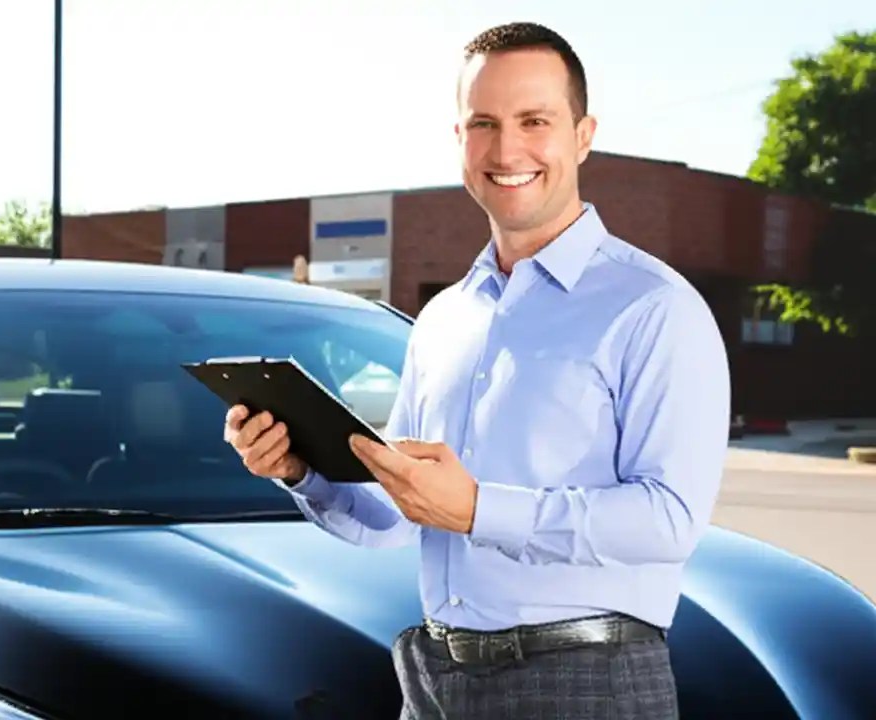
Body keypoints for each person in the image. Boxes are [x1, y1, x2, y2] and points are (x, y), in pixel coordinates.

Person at [223, 21, 729, 720]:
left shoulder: (655, 307)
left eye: (535, 120)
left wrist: (478, 509)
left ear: (583, 135)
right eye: (483, 123)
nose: (507, 147)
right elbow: (397, 520)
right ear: (458, 139)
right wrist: (299, 470)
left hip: (588, 686)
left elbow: (669, 519)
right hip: (436, 682)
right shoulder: (444, 320)